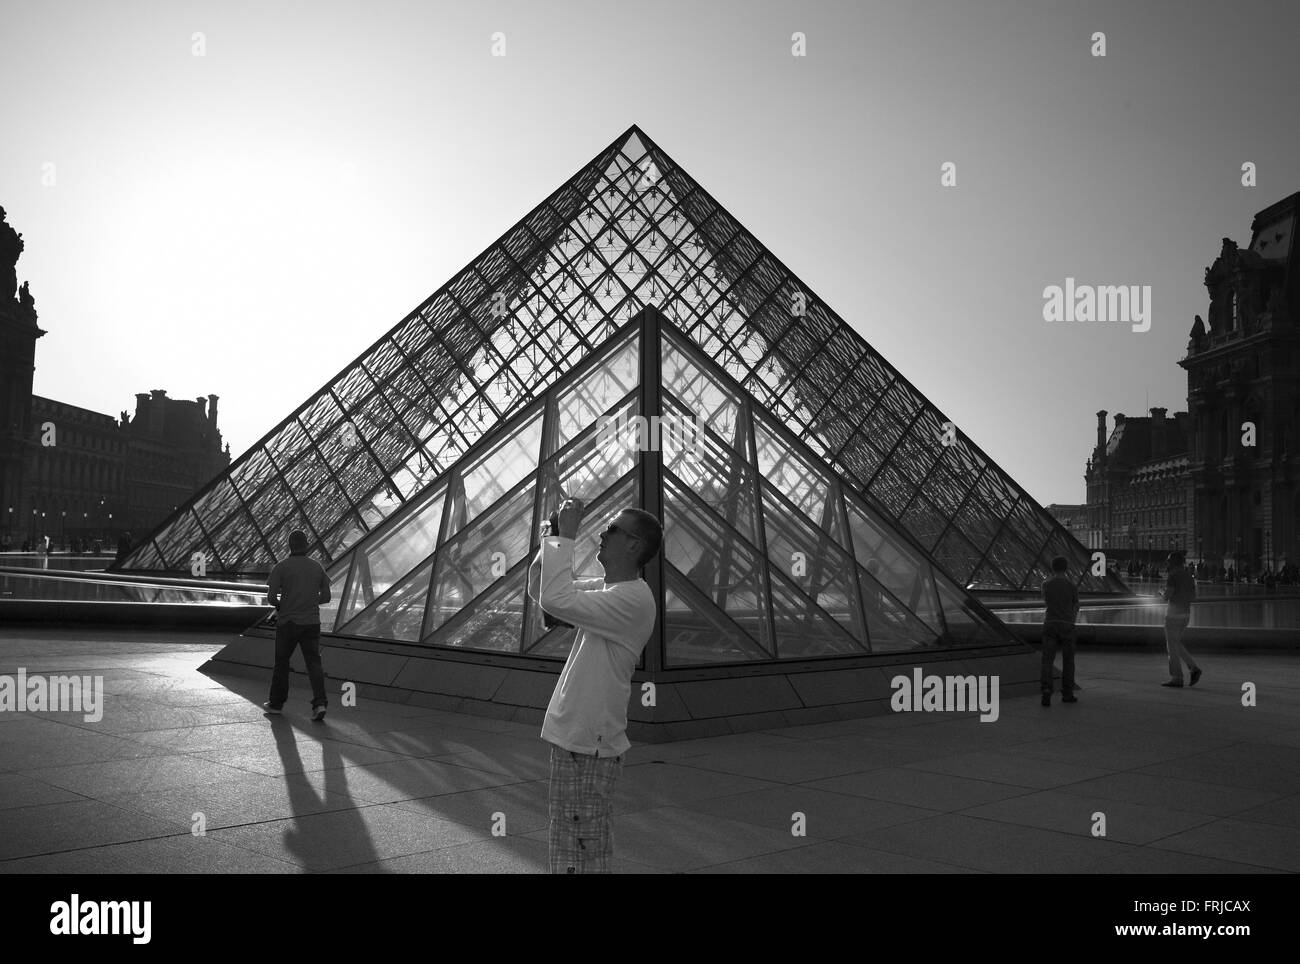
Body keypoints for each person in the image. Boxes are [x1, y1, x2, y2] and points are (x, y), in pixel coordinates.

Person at [528, 498, 661, 874]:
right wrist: (553, 538)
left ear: (634, 544)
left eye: (613, 528)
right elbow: (545, 595)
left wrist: (567, 536)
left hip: (591, 742)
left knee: (582, 845)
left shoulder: (631, 600)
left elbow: (555, 596)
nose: (602, 532)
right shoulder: (609, 590)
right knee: (569, 841)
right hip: (577, 735)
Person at [264, 530, 331, 720]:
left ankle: (276, 704)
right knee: (314, 663)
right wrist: (309, 601)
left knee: (282, 663)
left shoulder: (281, 567)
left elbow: (271, 598)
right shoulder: (317, 567)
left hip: (288, 623)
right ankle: (319, 704)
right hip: (311, 622)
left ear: (289, 546)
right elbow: (326, 597)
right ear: (307, 545)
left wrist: (282, 605)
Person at [1040, 556, 1079, 706]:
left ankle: (1046, 690)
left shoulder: (1046, 584)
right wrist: (1072, 619)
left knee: (1047, 660)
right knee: (1068, 661)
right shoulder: (1072, 586)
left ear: (1052, 568)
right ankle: (1067, 693)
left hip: (1050, 623)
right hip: (1067, 624)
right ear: (1066, 568)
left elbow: (1046, 601)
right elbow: (1076, 606)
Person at [1161, 550, 1201, 688]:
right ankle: (1193, 668)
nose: (1167, 565)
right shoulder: (1188, 576)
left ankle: (1177, 678)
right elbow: (1193, 597)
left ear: (1172, 563)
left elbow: (1168, 595)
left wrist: (1162, 594)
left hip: (1173, 615)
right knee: (1176, 643)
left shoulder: (1172, 576)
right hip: (1186, 614)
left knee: (1171, 647)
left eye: (1168, 562)